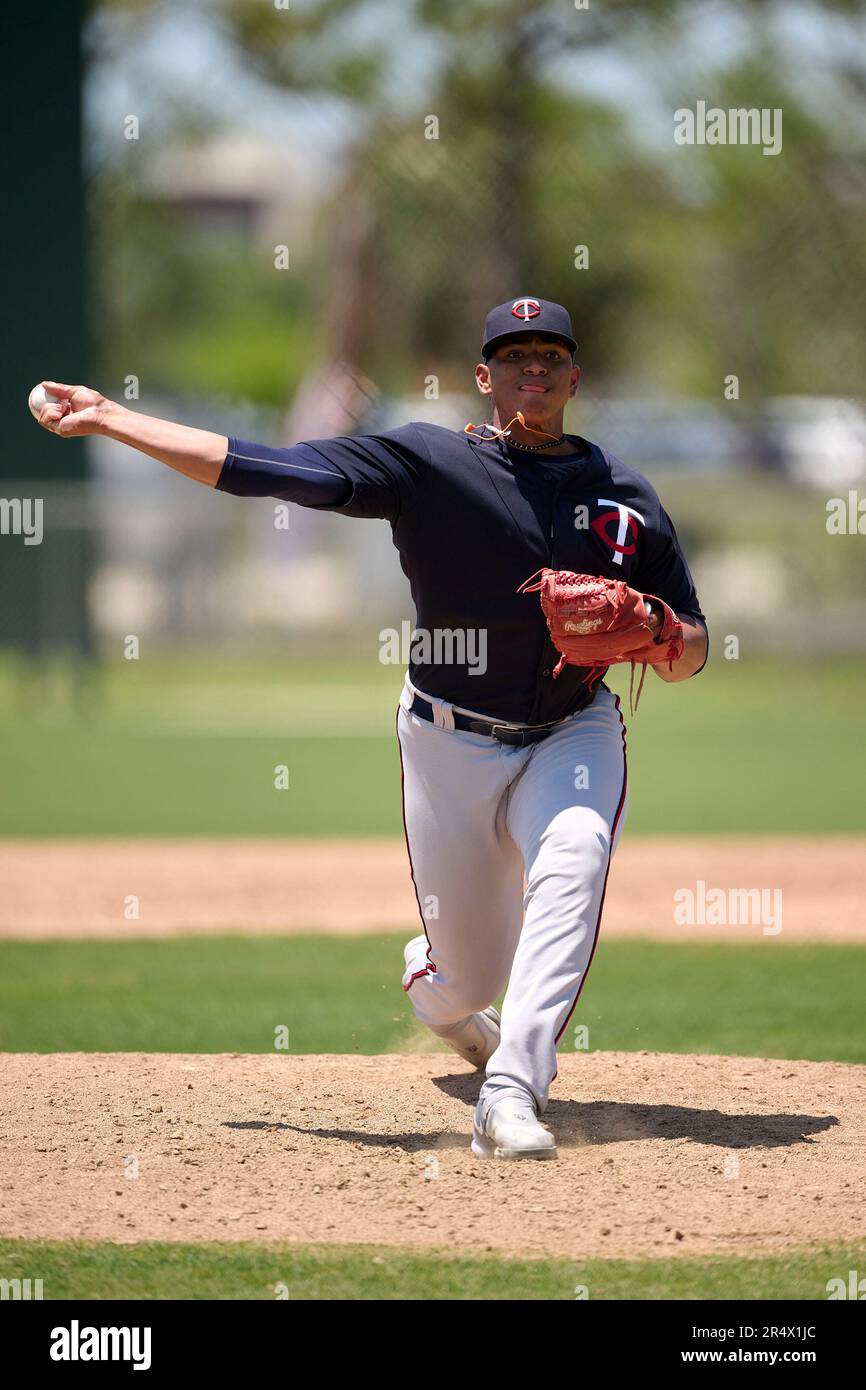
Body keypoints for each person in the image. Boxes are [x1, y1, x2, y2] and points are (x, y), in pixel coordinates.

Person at [34, 295, 708, 1161]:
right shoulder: (430, 462)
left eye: (549, 354)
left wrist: (660, 631)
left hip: (573, 730)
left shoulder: (626, 498)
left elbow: (692, 649)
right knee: (464, 978)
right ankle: (437, 988)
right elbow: (263, 467)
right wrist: (116, 418)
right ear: (483, 376)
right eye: (512, 354)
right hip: (447, 741)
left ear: (575, 375)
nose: (531, 368)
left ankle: (509, 1093)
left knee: (575, 860)